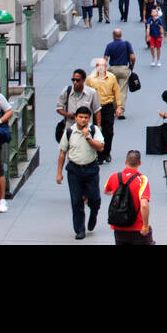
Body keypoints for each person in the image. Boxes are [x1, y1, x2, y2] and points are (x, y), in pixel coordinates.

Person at [56, 106, 105, 239]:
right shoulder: (69, 132)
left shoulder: (93, 130)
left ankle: (93, 213)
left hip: (91, 169)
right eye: (81, 117)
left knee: (95, 199)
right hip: (74, 170)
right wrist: (59, 173)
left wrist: (88, 138)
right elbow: (62, 153)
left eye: (86, 117)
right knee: (76, 200)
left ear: (89, 119)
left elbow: (101, 148)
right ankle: (79, 229)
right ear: (76, 117)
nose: (83, 120)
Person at [103, 150, 153, 245]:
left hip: (119, 227)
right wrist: (145, 226)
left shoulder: (113, 176)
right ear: (139, 163)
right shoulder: (142, 180)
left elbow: (106, 191)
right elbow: (144, 205)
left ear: (126, 162)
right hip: (137, 229)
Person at [87, 59, 123, 164]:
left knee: (108, 132)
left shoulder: (111, 77)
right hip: (95, 108)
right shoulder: (90, 79)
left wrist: (119, 106)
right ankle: (99, 154)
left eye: (103, 65)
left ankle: (107, 152)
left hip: (108, 107)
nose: (102, 67)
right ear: (96, 66)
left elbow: (116, 91)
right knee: (96, 130)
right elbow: (88, 93)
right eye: (99, 65)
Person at [56, 69, 102, 138]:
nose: (75, 82)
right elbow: (59, 108)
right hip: (70, 128)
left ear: (83, 80)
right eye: (73, 80)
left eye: (77, 80)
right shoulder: (66, 91)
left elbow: (97, 111)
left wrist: (98, 128)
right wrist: (68, 115)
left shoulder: (92, 93)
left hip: (86, 130)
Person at [103, 28, 136, 108]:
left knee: (113, 89)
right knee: (122, 90)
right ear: (121, 35)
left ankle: (114, 107)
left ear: (113, 35)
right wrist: (132, 65)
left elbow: (105, 59)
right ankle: (120, 109)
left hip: (112, 69)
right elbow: (133, 57)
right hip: (124, 68)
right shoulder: (126, 44)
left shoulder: (109, 45)